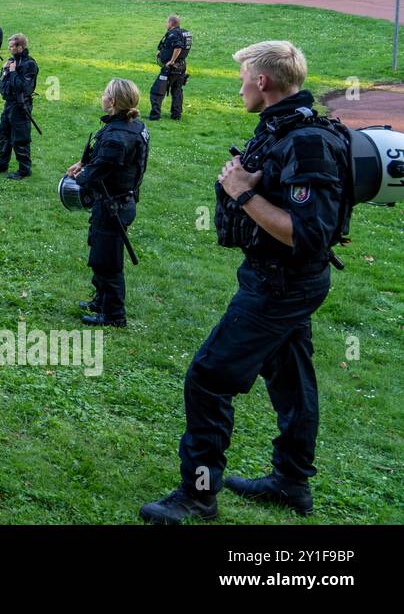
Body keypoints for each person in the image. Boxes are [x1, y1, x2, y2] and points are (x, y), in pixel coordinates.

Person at [140, 41, 351, 524]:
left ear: (263, 82)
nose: (239, 87)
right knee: (292, 379)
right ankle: (291, 484)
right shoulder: (288, 129)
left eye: (243, 79)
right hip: (284, 280)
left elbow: (307, 233)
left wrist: (241, 194)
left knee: (209, 379)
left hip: (281, 283)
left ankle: (198, 494)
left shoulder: (306, 140)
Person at [67, 79, 149, 328]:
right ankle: (100, 299)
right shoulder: (131, 126)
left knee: (108, 260)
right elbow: (102, 160)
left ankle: (113, 314)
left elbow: (98, 172)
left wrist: (79, 176)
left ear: (112, 102)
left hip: (115, 204)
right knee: (99, 248)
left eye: (105, 94)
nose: (102, 96)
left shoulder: (117, 136)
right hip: (116, 201)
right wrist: (83, 163)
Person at [0, 33, 37, 179]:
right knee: (3, 134)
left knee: (20, 138)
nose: (9, 49)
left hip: (21, 106)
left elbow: (23, 88)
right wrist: (6, 71)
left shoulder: (29, 64)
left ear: (20, 47)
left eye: (12, 46)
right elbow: (4, 85)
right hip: (9, 104)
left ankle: (24, 170)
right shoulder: (11, 62)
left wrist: (12, 73)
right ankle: (2, 165)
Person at [147, 15, 190, 122]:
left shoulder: (174, 34)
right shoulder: (185, 33)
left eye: (167, 22)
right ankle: (176, 115)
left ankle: (155, 116)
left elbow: (178, 46)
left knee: (156, 91)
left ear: (171, 23)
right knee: (177, 90)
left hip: (171, 68)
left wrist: (171, 61)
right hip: (182, 66)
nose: (166, 24)